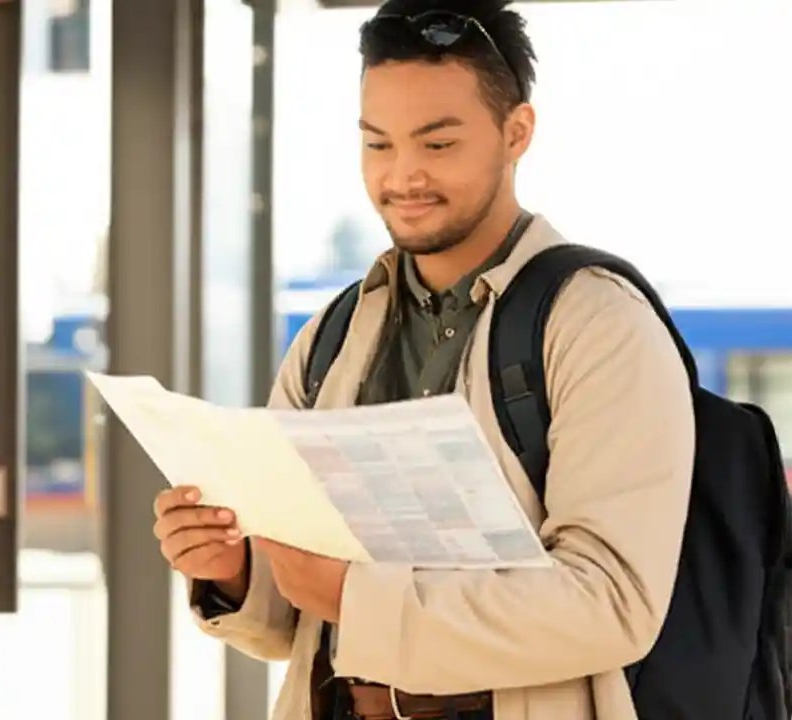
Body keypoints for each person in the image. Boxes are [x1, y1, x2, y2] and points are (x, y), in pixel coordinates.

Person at [151, 1, 695, 718]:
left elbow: (613, 603)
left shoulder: (596, 323)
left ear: (516, 132)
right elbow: (296, 614)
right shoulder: (332, 335)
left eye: (437, 145)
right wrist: (231, 569)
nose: (402, 175)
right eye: (378, 145)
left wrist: (356, 596)